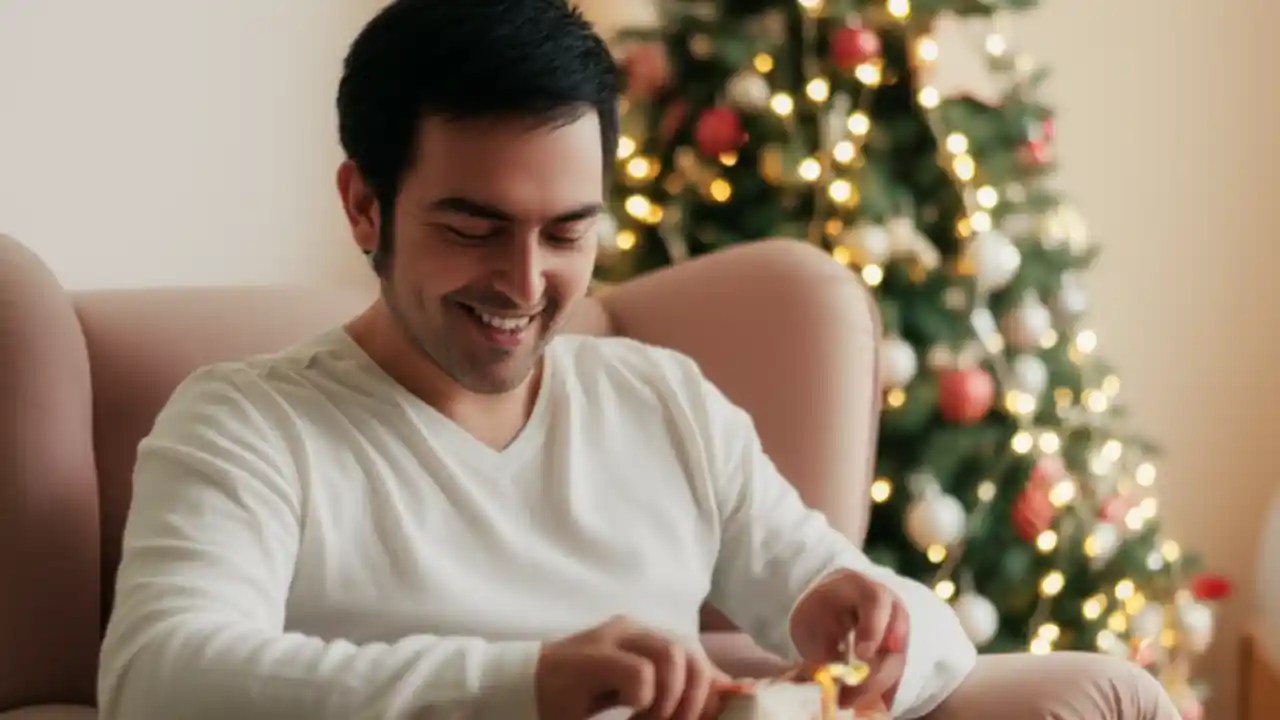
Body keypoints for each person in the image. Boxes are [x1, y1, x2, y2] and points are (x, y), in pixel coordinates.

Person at [97, 1, 1180, 718]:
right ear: (363, 205)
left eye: (567, 231)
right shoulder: (243, 425)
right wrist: (527, 684)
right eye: (474, 228)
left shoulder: (655, 399)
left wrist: (872, 623)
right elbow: (158, 676)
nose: (525, 285)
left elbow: (886, 611)